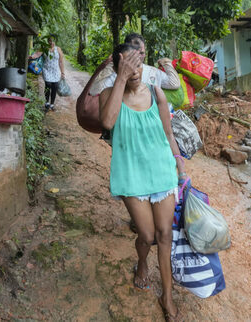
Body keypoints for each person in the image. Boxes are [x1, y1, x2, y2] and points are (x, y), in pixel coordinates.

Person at [99, 43, 186, 322]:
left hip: (161, 170)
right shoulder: (107, 95)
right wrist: (121, 78)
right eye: (126, 65)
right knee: (146, 235)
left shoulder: (156, 93)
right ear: (117, 68)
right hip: (131, 174)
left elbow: (168, 132)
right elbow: (108, 123)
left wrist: (178, 160)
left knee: (164, 236)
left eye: (137, 64)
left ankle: (167, 295)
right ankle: (141, 261)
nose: (133, 71)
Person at [76, 33, 179, 134]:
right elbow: (95, 92)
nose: (138, 56)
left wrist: (166, 63)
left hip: (146, 128)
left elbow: (174, 83)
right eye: (135, 52)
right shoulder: (117, 74)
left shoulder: (153, 73)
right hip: (127, 129)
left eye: (141, 53)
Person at [30, 34, 65, 111]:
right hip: (47, 70)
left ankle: (52, 104)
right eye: (50, 40)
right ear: (48, 41)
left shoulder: (58, 49)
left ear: (55, 41)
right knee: (48, 84)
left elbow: (61, 62)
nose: (51, 42)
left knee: (55, 86)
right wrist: (31, 57)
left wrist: (62, 73)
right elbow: (36, 54)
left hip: (55, 71)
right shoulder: (44, 48)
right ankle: (47, 103)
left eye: (53, 41)